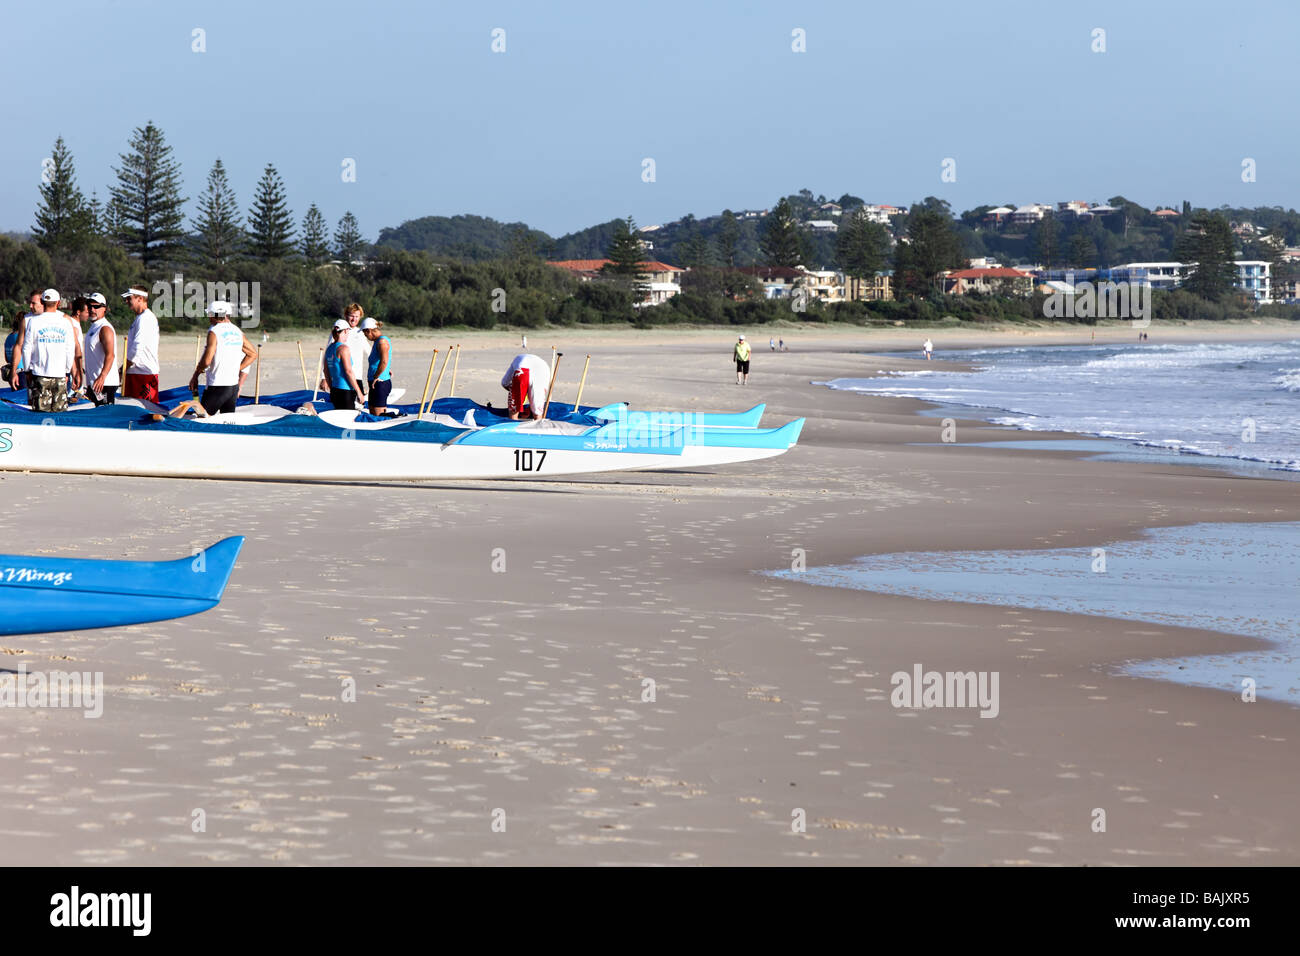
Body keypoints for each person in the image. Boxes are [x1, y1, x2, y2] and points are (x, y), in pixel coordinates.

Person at [190, 301, 256, 415]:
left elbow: (206, 361)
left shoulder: (214, 331)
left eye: (209, 315)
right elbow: (253, 354)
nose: (209, 318)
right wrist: (236, 369)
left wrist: (196, 375)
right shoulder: (237, 331)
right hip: (233, 387)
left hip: (217, 386)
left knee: (203, 420)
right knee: (227, 422)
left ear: (213, 315)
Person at [22, 295, 75, 412]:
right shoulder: (66, 322)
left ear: (42, 302)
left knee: (40, 414)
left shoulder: (33, 322)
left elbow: (26, 348)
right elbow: (70, 349)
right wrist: (67, 371)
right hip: (59, 374)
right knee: (59, 415)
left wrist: (27, 370)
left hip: (39, 374)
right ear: (58, 303)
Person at [121, 286, 160, 404]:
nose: (127, 301)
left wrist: (124, 368)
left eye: (129, 298)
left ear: (140, 299)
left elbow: (137, 348)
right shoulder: (139, 318)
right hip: (136, 373)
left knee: (145, 412)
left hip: (143, 374)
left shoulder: (146, 318)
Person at [327, 303, 369, 399]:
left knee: (358, 406)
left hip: (357, 376)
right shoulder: (338, 331)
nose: (354, 319)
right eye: (352, 316)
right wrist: (324, 377)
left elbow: (370, 352)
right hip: (341, 378)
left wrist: (384, 368)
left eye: (357, 316)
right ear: (346, 315)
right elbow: (328, 354)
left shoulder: (361, 333)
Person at [83, 292, 119, 405]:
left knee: (106, 419)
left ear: (104, 309)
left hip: (105, 383)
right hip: (94, 383)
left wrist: (102, 377)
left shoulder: (105, 328)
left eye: (96, 306)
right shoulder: (93, 327)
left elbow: (110, 355)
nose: (92, 309)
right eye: (90, 306)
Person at [7, 290, 44, 390]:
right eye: (30, 303)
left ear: (43, 303)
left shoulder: (55, 319)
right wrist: (13, 371)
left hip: (50, 373)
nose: (30, 306)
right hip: (30, 373)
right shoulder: (27, 320)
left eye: (34, 303)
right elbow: (18, 346)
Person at [324, 319, 365, 410]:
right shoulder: (343, 348)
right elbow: (348, 371)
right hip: (346, 391)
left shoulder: (329, 348)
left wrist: (332, 388)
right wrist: (359, 392)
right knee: (348, 420)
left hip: (335, 389)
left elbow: (326, 371)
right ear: (346, 330)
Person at [500, 352, 551, 420]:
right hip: (541, 367)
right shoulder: (545, 369)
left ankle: (513, 419)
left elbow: (504, 383)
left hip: (526, 367)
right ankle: (538, 422)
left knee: (514, 411)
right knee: (537, 413)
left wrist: (515, 394)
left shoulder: (517, 359)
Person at [360, 318, 393, 415]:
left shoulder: (382, 342)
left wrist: (376, 376)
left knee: (379, 417)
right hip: (375, 384)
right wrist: (386, 369)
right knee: (372, 415)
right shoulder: (377, 341)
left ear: (369, 331)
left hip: (380, 383)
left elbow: (384, 361)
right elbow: (380, 361)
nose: (365, 336)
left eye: (365, 334)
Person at [65, 296, 88, 395]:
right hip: (72, 370)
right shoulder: (73, 325)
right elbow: (72, 351)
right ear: (78, 312)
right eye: (86, 312)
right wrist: (76, 372)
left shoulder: (75, 323)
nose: (89, 314)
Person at [3, 314, 26, 391]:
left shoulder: (8, 337)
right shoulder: (21, 338)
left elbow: (6, 358)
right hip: (22, 373)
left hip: (12, 374)